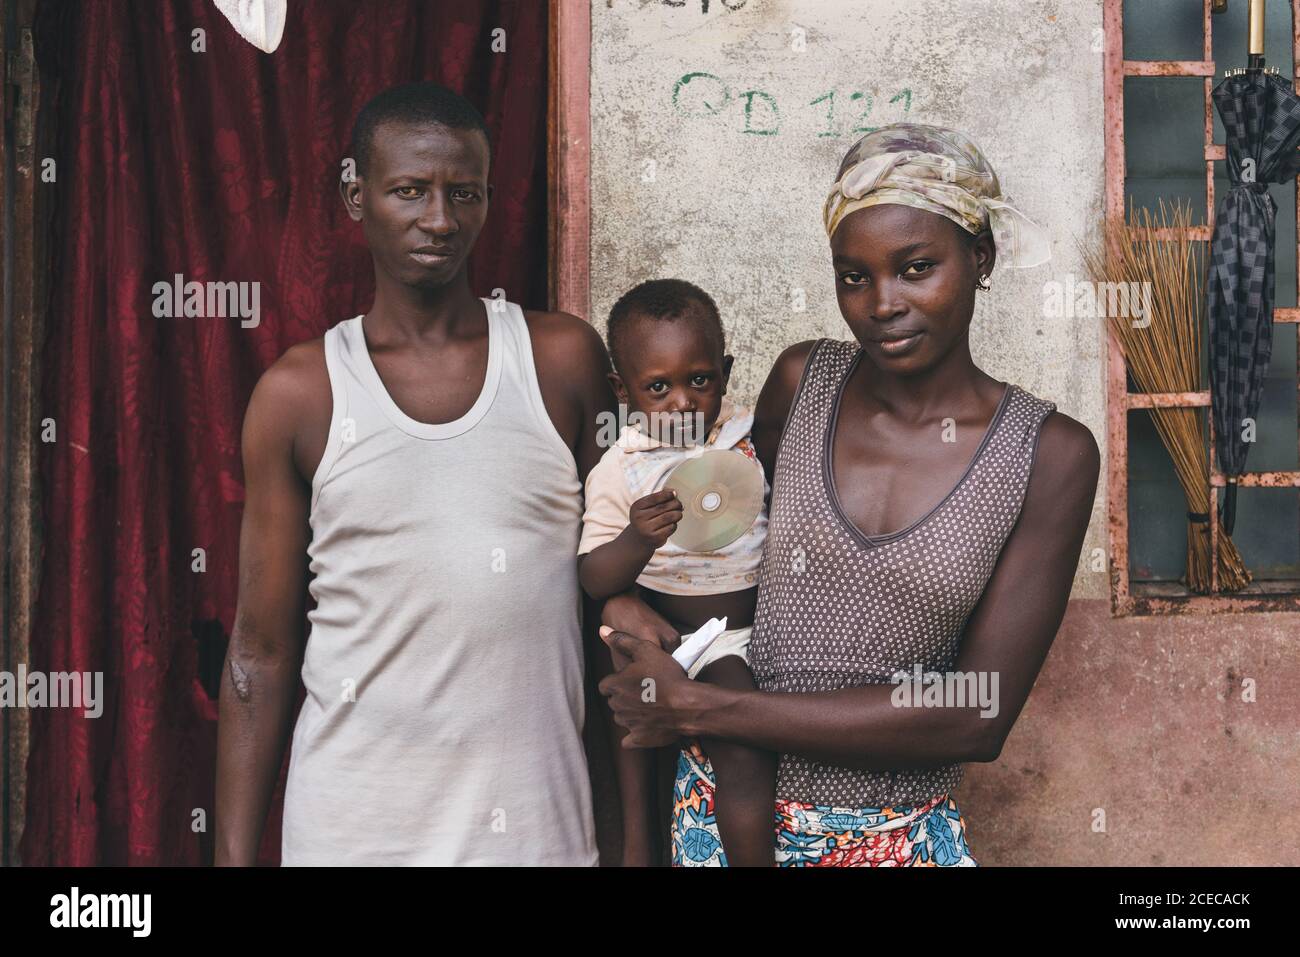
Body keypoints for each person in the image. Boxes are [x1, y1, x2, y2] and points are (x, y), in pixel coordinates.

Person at [599, 123, 1100, 866]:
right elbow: (713, 538)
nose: (882, 304)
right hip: (722, 826)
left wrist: (710, 707)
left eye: (917, 267)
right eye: (853, 276)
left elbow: (978, 713)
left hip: (893, 841)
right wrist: (624, 598)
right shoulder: (803, 384)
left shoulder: (1048, 453)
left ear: (982, 257)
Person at [214, 82, 614, 865]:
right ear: (354, 195)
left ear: (490, 198)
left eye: (463, 193)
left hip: (534, 836)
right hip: (349, 834)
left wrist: (633, 840)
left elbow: (610, 605)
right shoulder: (301, 394)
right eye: (409, 190)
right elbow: (259, 651)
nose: (439, 219)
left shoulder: (561, 361)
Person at [577, 279, 776, 867]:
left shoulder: (747, 441)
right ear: (623, 389)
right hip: (665, 634)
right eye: (657, 388)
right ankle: (641, 847)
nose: (683, 402)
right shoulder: (622, 466)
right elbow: (594, 577)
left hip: (734, 640)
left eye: (700, 380)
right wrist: (638, 538)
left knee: (741, 751)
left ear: (726, 371)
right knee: (632, 709)